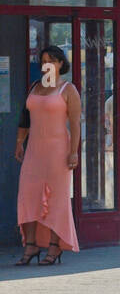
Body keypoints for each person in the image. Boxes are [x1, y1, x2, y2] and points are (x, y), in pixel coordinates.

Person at [13, 45, 81, 266]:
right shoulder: (35, 87)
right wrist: (19, 143)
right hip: (34, 150)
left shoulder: (68, 89)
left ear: (61, 64)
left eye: (51, 60)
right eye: (43, 61)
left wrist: (74, 152)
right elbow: (26, 118)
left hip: (58, 151)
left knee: (56, 198)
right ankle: (31, 245)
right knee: (28, 194)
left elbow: (76, 123)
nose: (46, 65)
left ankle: (54, 246)